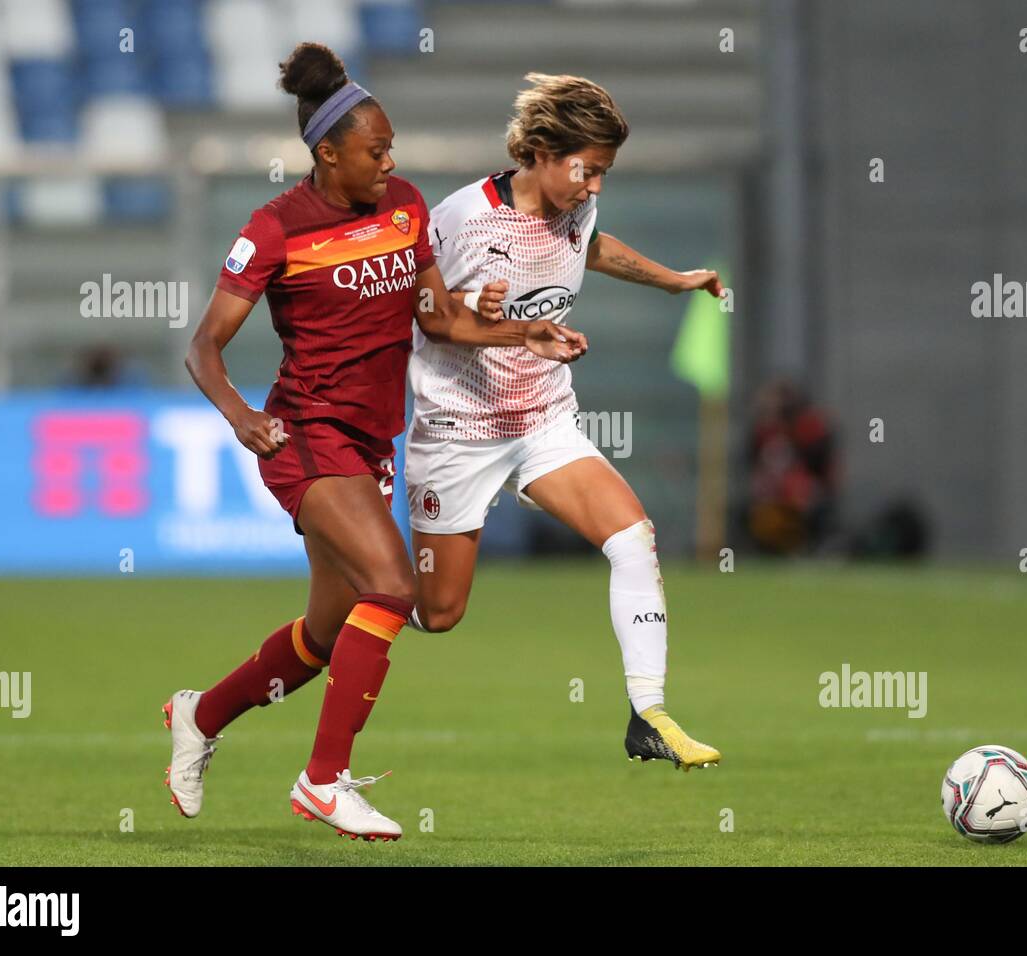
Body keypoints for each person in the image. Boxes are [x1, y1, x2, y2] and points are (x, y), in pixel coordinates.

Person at [163, 45, 587, 842]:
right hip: (305, 434)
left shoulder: (405, 208)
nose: (390, 163)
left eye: (391, 149)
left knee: (325, 635)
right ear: (328, 153)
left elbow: (439, 320)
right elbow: (203, 347)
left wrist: (520, 330)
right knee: (393, 589)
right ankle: (323, 782)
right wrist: (239, 416)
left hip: (372, 442)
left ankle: (200, 714)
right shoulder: (275, 228)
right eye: (375, 150)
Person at [404, 73, 722, 770]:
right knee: (438, 612)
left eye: (605, 172)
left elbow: (593, 246)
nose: (595, 187)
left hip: (542, 421)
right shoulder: (461, 219)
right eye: (589, 170)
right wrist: (493, 322)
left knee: (632, 537)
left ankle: (648, 713)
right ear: (542, 151)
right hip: (459, 429)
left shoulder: (574, 208)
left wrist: (674, 279)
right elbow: (425, 315)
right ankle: (354, 584)